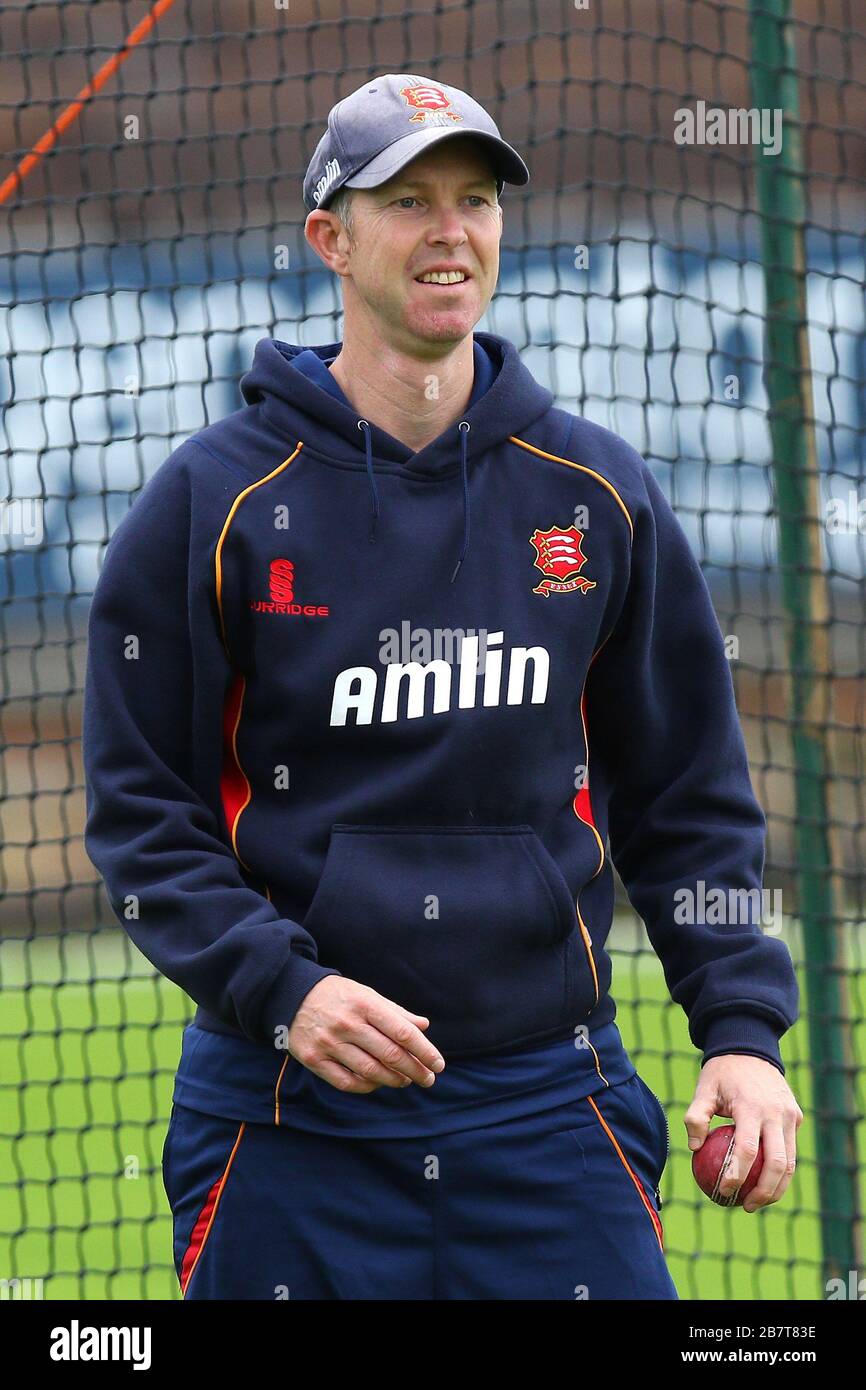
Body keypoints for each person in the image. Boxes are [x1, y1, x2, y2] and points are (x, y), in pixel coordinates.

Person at [83, 73, 802, 1301]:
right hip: (285, 1117)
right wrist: (281, 989)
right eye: (407, 200)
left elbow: (687, 795)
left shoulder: (595, 491)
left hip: (547, 1107)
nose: (449, 231)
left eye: (473, 200)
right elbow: (141, 819)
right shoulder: (210, 504)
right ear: (330, 237)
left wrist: (738, 1031)